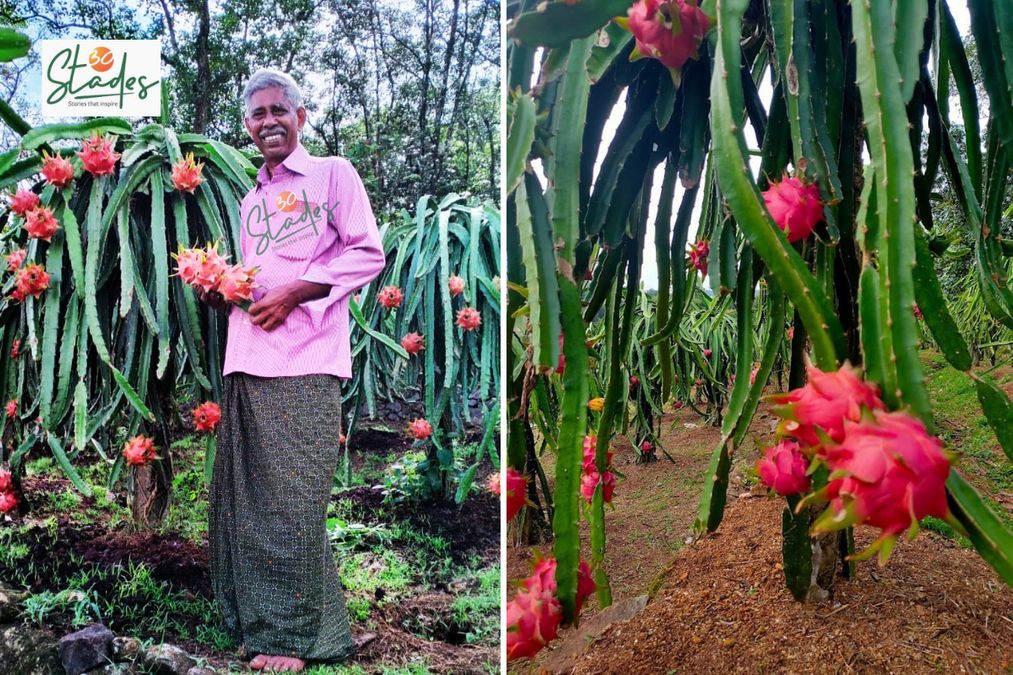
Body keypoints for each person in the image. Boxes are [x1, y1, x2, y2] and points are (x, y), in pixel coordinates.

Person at [201, 68, 385, 673]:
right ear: (248, 127)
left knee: (296, 500)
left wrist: (297, 294)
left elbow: (366, 252)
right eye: (257, 114)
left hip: (307, 361)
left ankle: (292, 639)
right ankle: (268, 624)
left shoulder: (334, 174)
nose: (268, 121)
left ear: (301, 117)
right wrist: (222, 288)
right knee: (249, 502)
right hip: (247, 358)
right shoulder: (250, 198)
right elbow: (256, 283)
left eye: (280, 110)